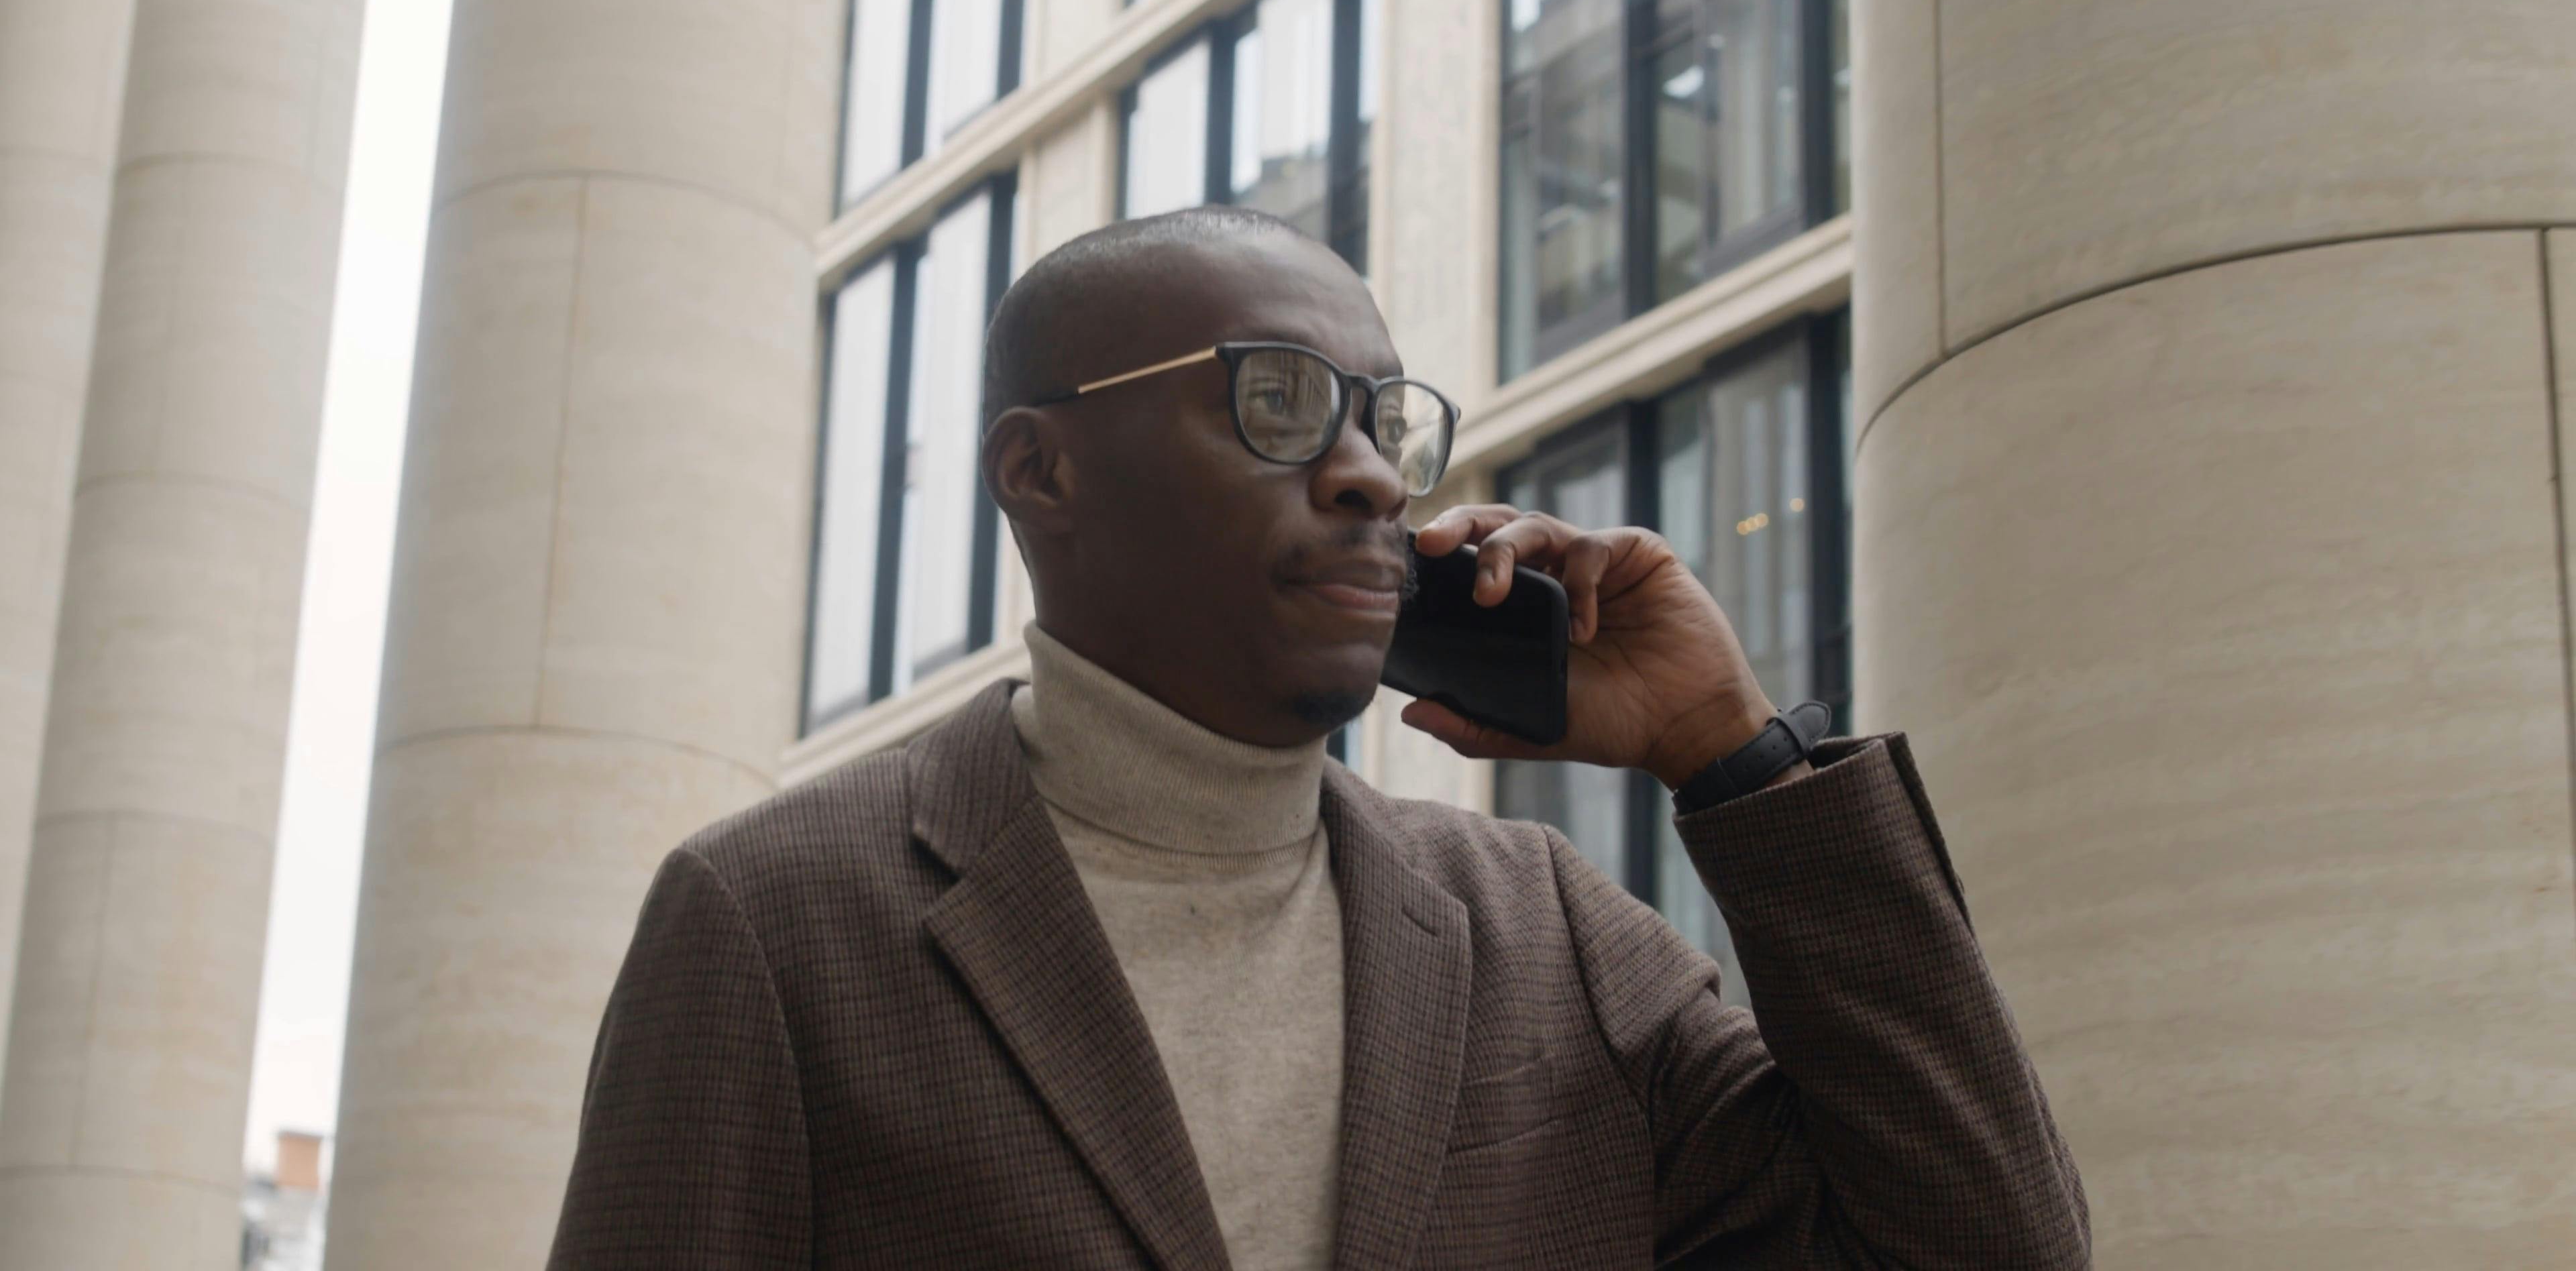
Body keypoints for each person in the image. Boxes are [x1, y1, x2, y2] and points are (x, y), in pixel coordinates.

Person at [545, 207, 2090, 1269]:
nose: (1365, 476)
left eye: (1382, 421)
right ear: (1043, 471)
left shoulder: (1544, 936)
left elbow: (1982, 1248)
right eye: (1279, 404)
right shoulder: (779, 918)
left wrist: (1730, 757)